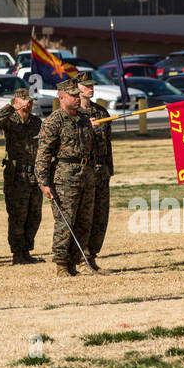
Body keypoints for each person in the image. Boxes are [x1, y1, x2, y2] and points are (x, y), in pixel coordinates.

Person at [34, 79, 96, 276]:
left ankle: (77, 261)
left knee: (84, 220)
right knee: (65, 221)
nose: (77, 99)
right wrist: (43, 182)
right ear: (61, 98)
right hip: (65, 175)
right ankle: (61, 264)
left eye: (78, 95)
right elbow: (43, 154)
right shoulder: (53, 121)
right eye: (73, 95)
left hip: (86, 173)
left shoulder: (85, 119)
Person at [0, 87, 43, 263]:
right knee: (17, 216)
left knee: (34, 216)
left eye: (30, 101)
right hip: (17, 176)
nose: (29, 103)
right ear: (17, 102)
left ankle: (27, 251)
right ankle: (17, 254)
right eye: (25, 100)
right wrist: (11, 108)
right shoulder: (10, 120)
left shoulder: (36, 122)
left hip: (34, 176)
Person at [77, 73, 113, 270]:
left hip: (101, 169)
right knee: (85, 216)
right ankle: (81, 257)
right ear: (79, 88)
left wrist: (109, 168)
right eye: (87, 85)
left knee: (101, 216)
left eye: (92, 85)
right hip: (85, 170)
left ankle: (92, 256)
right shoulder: (73, 114)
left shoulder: (101, 112)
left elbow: (108, 142)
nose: (91, 88)